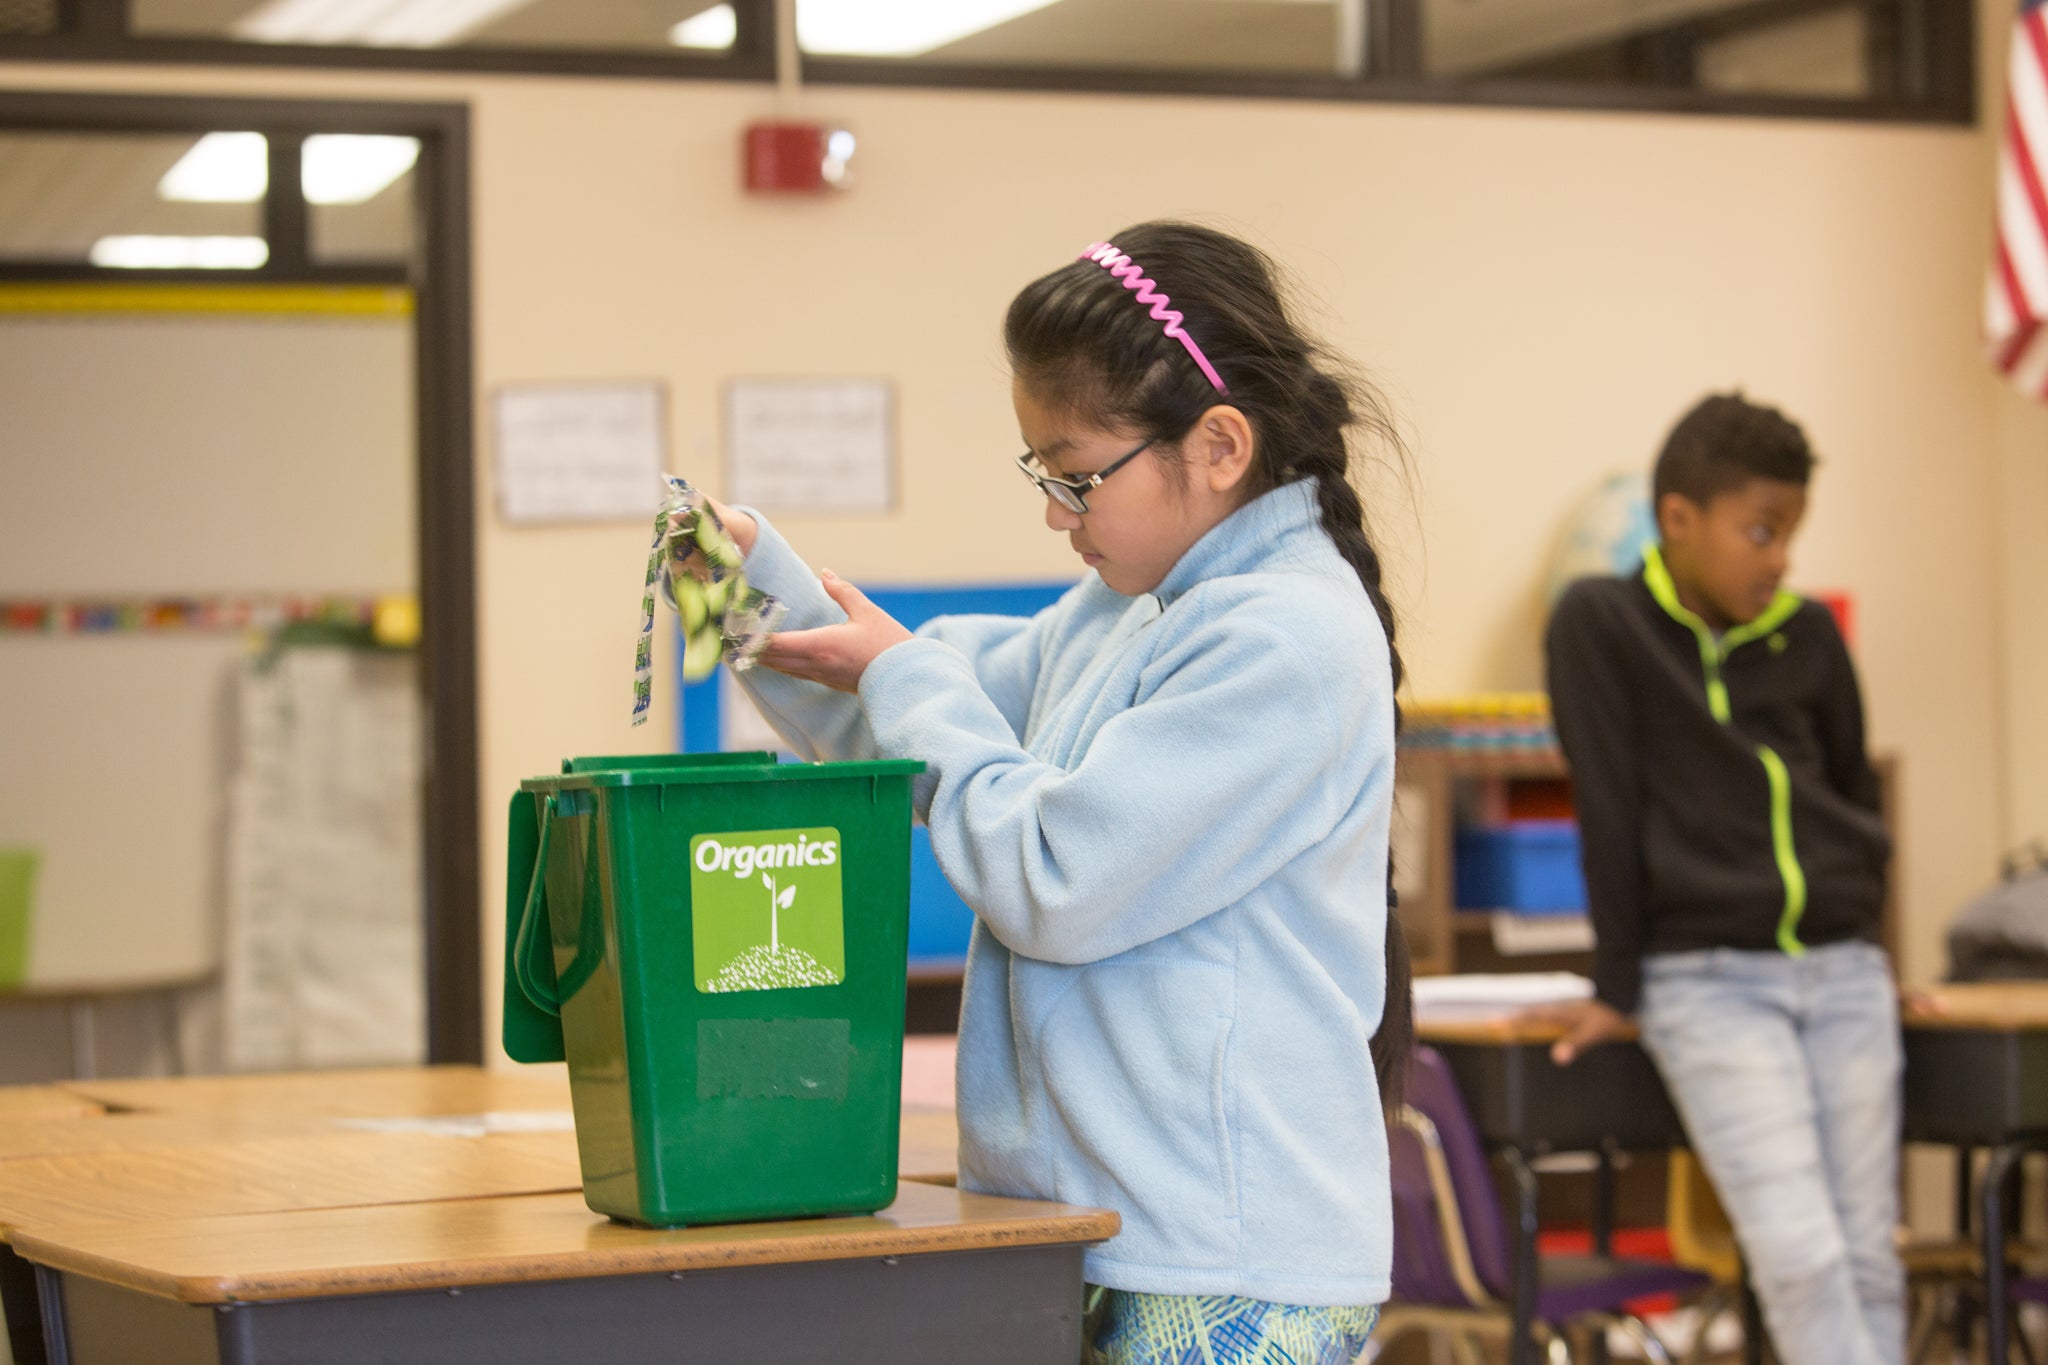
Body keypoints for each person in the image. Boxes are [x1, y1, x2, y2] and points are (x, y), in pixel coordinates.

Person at [698, 222, 1412, 1365]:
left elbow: (1051, 874)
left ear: (1219, 445)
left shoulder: (1285, 641)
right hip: (1092, 1221)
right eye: (1043, 475)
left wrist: (903, 674)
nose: (1054, 513)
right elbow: (920, 739)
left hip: (1220, 1252)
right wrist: (742, 591)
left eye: (1075, 476)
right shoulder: (1125, 609)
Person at [1542, 393, 1904, 1365]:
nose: (1779, 557)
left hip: (1842, 975)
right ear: (1676, 521)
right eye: (1758, 531)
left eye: (1788, 534)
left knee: (1869, 1253)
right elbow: (1606, 809)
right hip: (1706, 982)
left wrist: (1871, 941)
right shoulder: (1599, 624)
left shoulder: (1806, 639)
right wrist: (1618, 987)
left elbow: (1846, 796)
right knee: (1801, 1256)